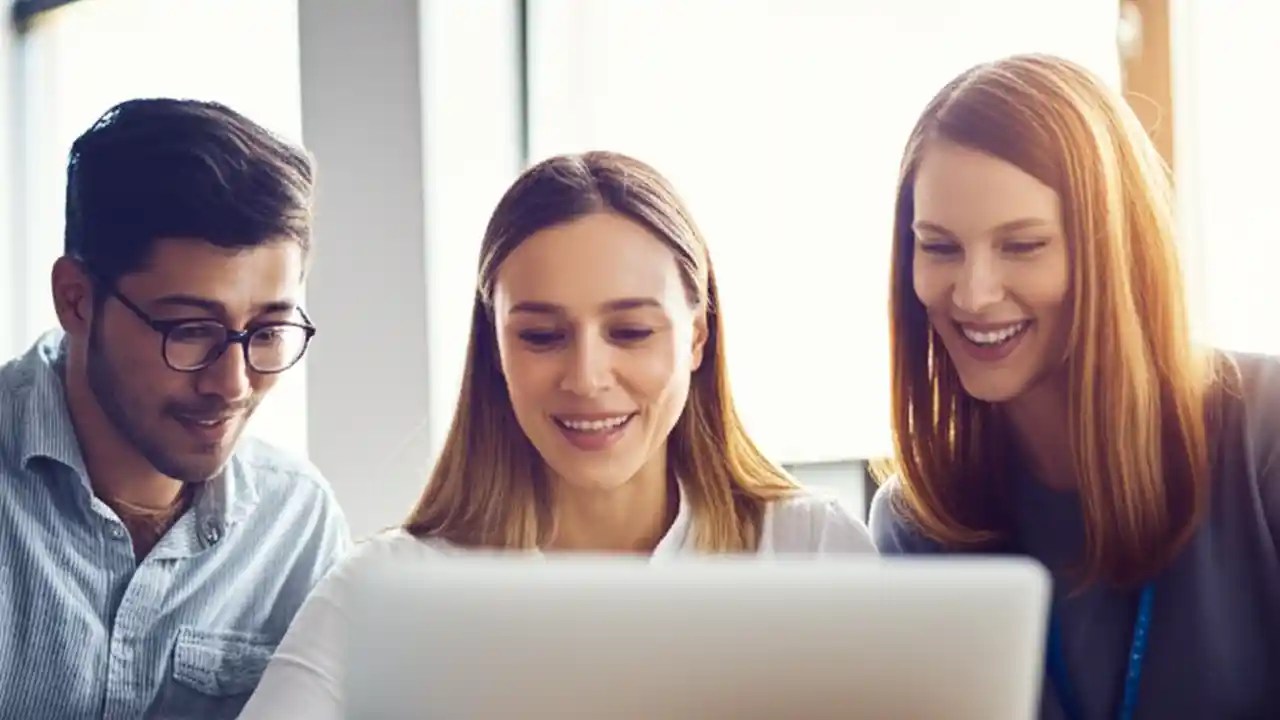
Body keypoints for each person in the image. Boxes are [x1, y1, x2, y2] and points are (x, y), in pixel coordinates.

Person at [239, 150, 875, 718]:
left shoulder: (810, 548)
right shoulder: (387, 592)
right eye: (542, 336)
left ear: (698, 336)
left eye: (631, 332)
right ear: (495, 347)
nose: (587, 378)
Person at [869, 53, 1279, 719]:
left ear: (1112, 251)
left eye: (1023, 246)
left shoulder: (1262, 432)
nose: (972, 294)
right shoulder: (917, 522)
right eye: (940, 248)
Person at [0, 99, 350, 719]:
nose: (233, 383)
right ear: (77, 301)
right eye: (190, 330)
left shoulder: (295, 522)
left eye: (267, 331)